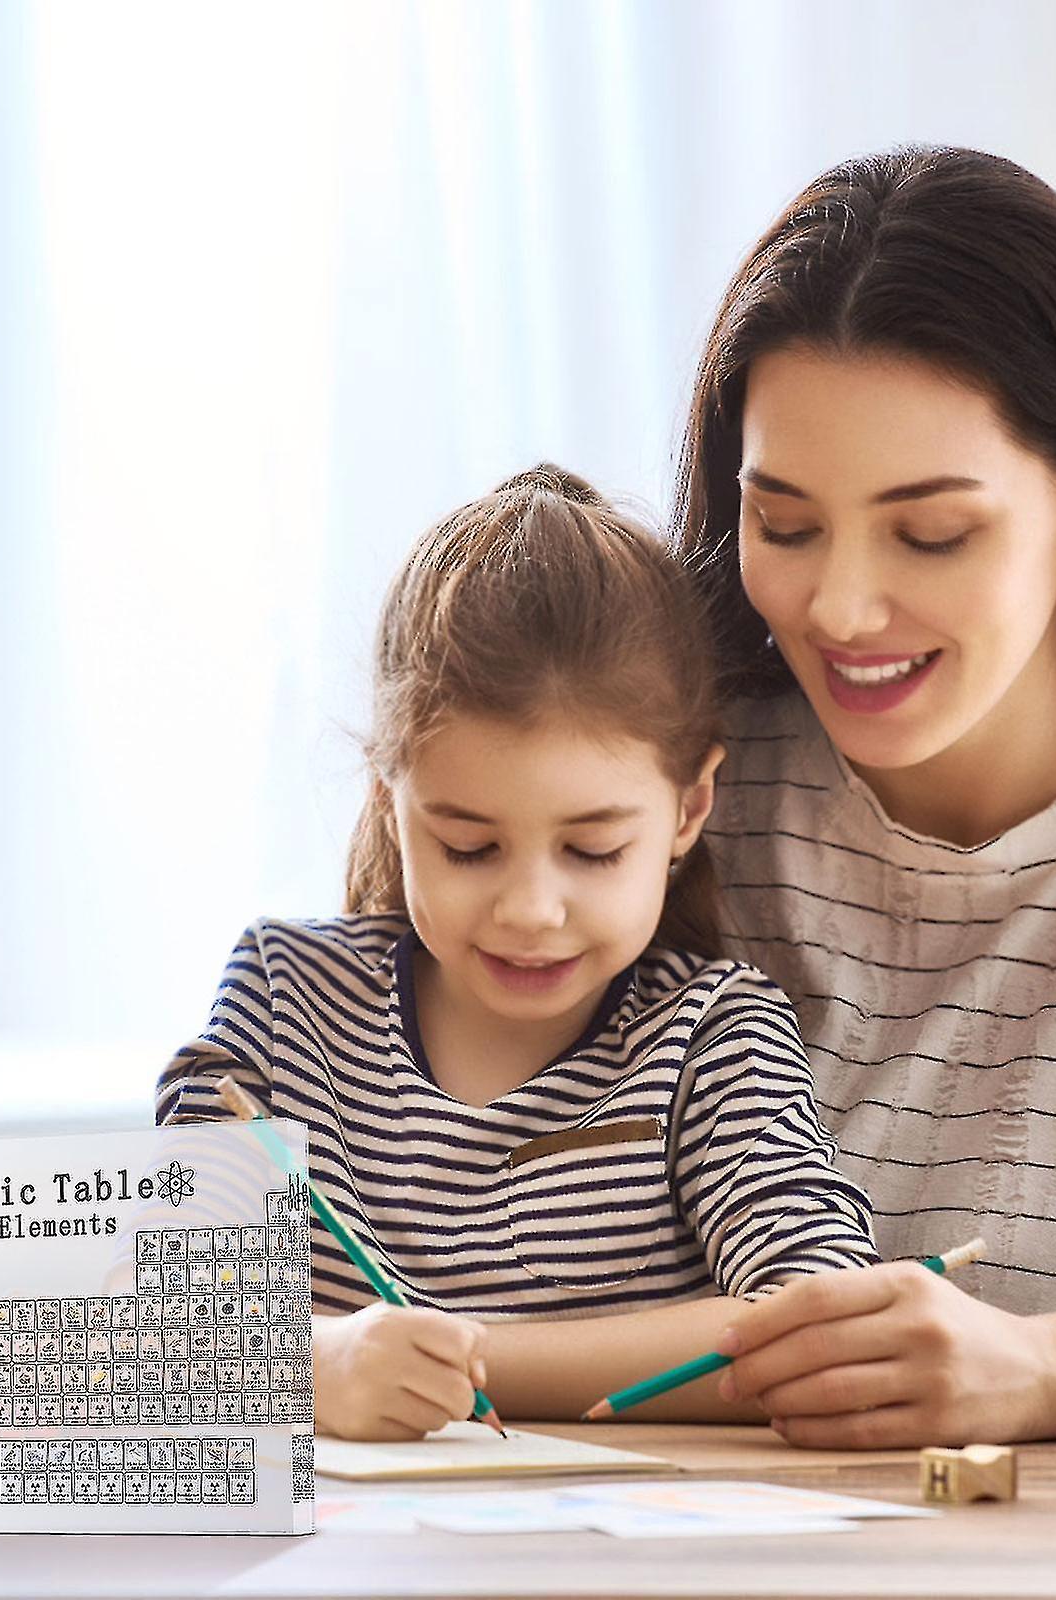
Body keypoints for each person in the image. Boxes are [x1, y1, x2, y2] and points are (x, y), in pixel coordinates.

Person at [672, 144, 1056, 1448]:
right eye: (786, 523)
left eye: (931, 531)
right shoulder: (671, 802)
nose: (841, 607)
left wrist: (1047, 1371)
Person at [157, 466, 878, 1440]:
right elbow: (159, 1325)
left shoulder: (710, 1033)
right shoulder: (285, 1000)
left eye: (592, 850)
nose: (532, 910)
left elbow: (821, 1324)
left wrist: (465, 1362)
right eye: (467, 846)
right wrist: (318, 1366)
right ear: (389, 802)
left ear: (688, 808)